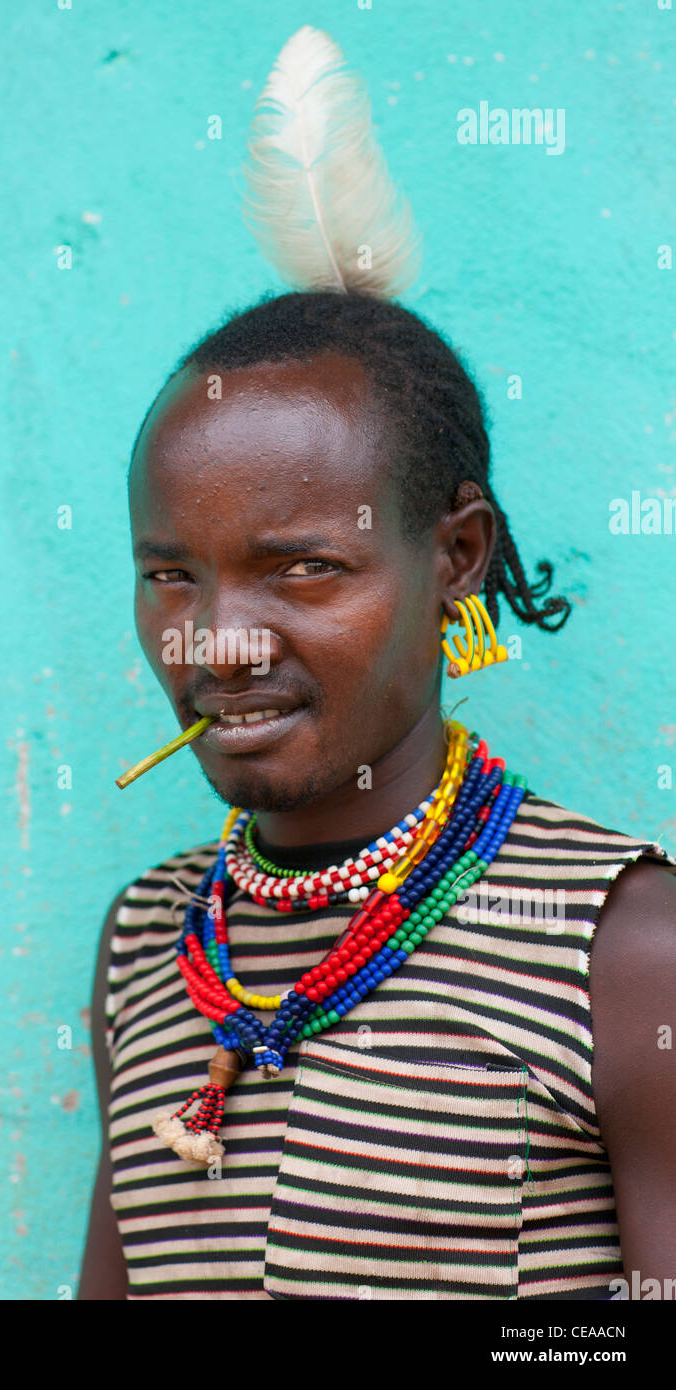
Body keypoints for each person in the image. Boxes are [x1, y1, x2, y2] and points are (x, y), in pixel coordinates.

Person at [78, 289, 676, 1301]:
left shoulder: (621, 950)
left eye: (305, 568)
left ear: (457, 556)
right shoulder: (150, 941)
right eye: (172, 575)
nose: (219, 643)